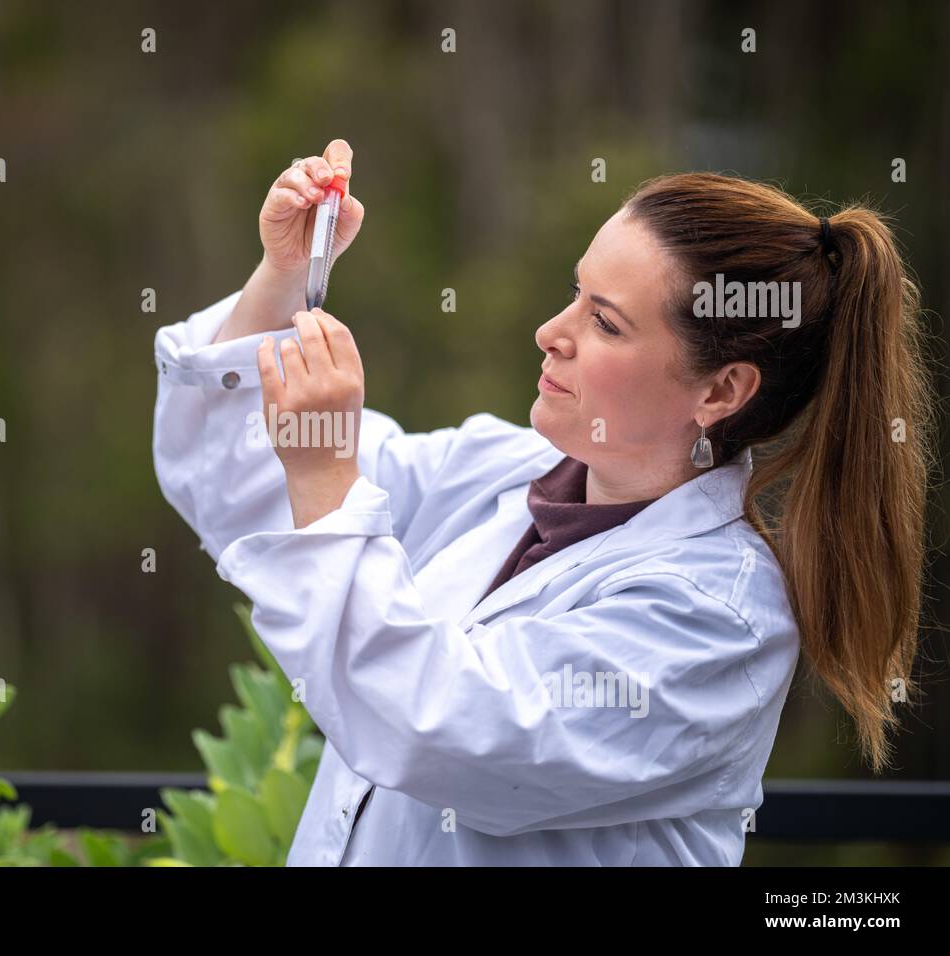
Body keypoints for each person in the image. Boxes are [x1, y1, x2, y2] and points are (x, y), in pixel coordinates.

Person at [151, 139, 936, 865]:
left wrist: (327, 477)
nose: (549, 333)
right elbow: (233, 482)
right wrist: (286, 277)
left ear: (721, 390)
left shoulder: (715, 620)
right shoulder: (505, 471)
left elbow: (443, 728)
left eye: (605, 322)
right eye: (574, 292)